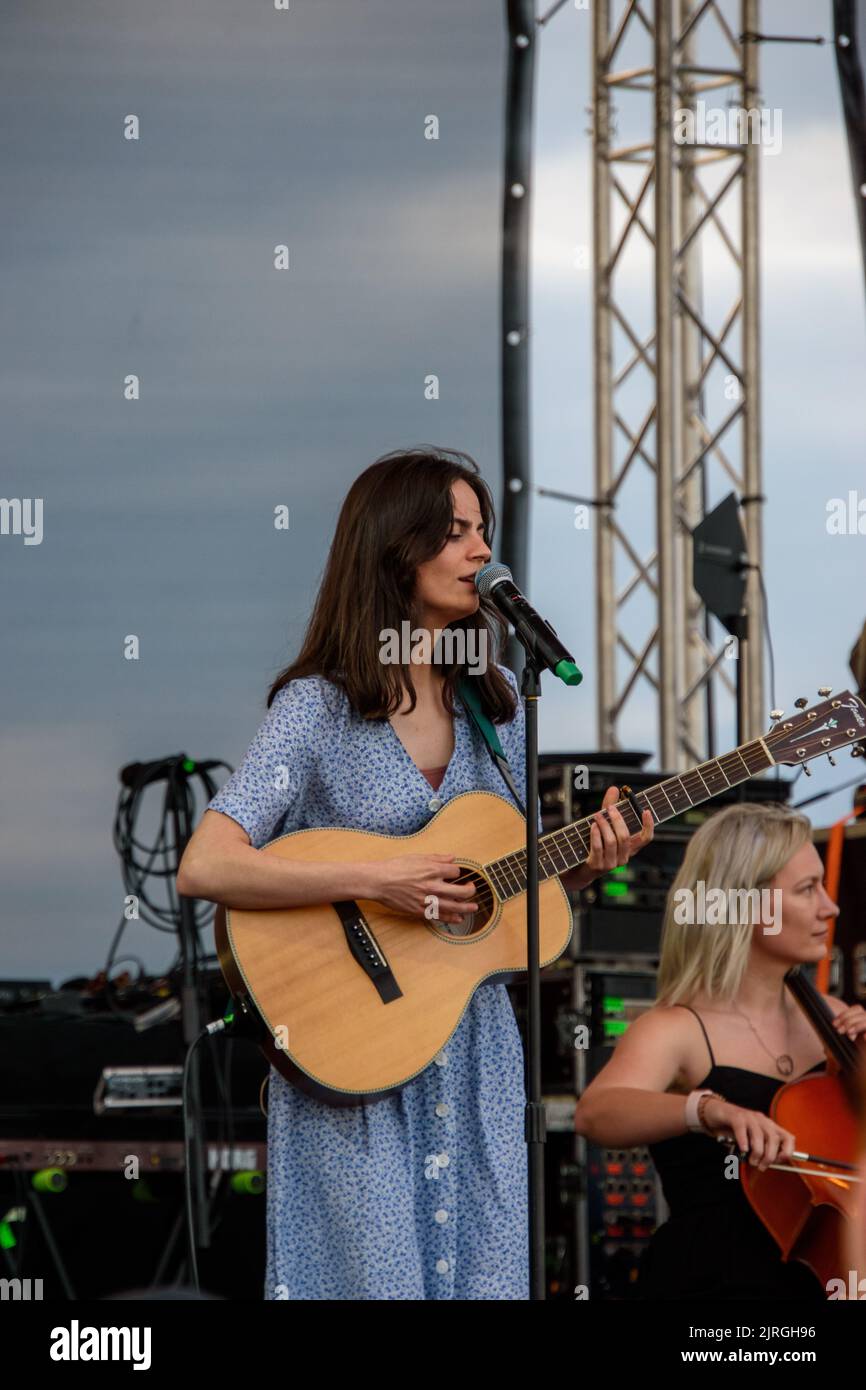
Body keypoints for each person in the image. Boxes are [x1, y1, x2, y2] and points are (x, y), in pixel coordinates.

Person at [176, 445, 655, 1300]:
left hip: (472, 1051)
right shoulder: (318, 708)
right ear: (395, 548)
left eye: (484, 532)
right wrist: (379, 882)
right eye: (456, 533)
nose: (481, 553)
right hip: (355, 1045)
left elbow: (510, 888)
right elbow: (206, 865)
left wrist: (588, 861)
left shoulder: (500, 702)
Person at [574, 800, 866, 1300]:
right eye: (806, 890)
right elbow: (597, 1113)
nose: (830, 907)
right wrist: (705, 1110)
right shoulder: (677, 1028)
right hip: (715, 1289)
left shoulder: (835, 1019)